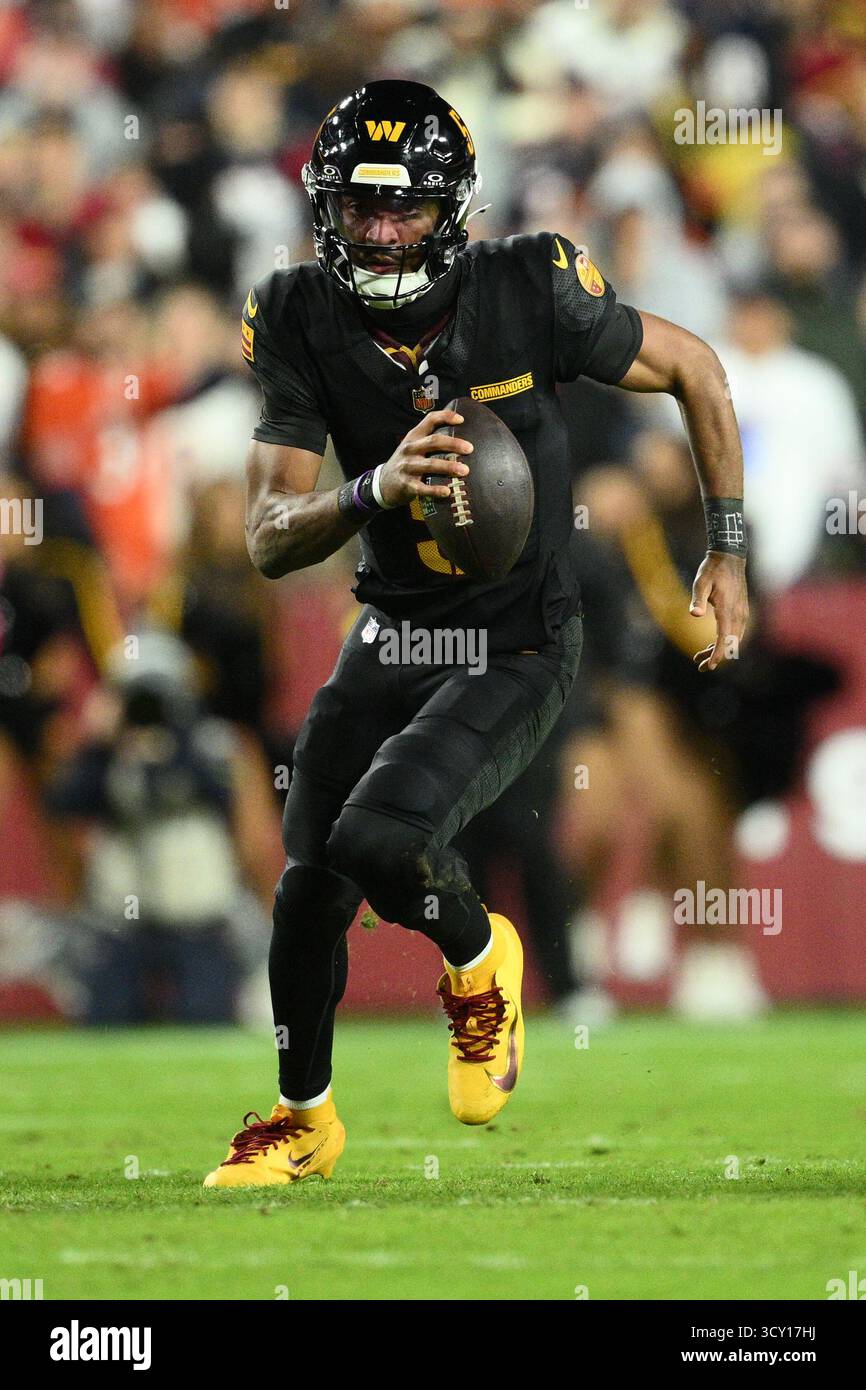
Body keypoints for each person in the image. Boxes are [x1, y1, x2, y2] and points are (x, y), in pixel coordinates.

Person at [203, 79, 748, 1188]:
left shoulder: (530, 286)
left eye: (405, 207)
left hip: (517, 639)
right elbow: (266, 537)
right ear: (325, 208)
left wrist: (726, 546)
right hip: (393, 628)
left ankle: (476, 953)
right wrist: (372, 491)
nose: (383, 229)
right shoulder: (298, 313)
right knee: (309, 878)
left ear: (454, 208)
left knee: (379, 839)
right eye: (360, 206)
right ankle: (303, 1116)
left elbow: (693, 366)